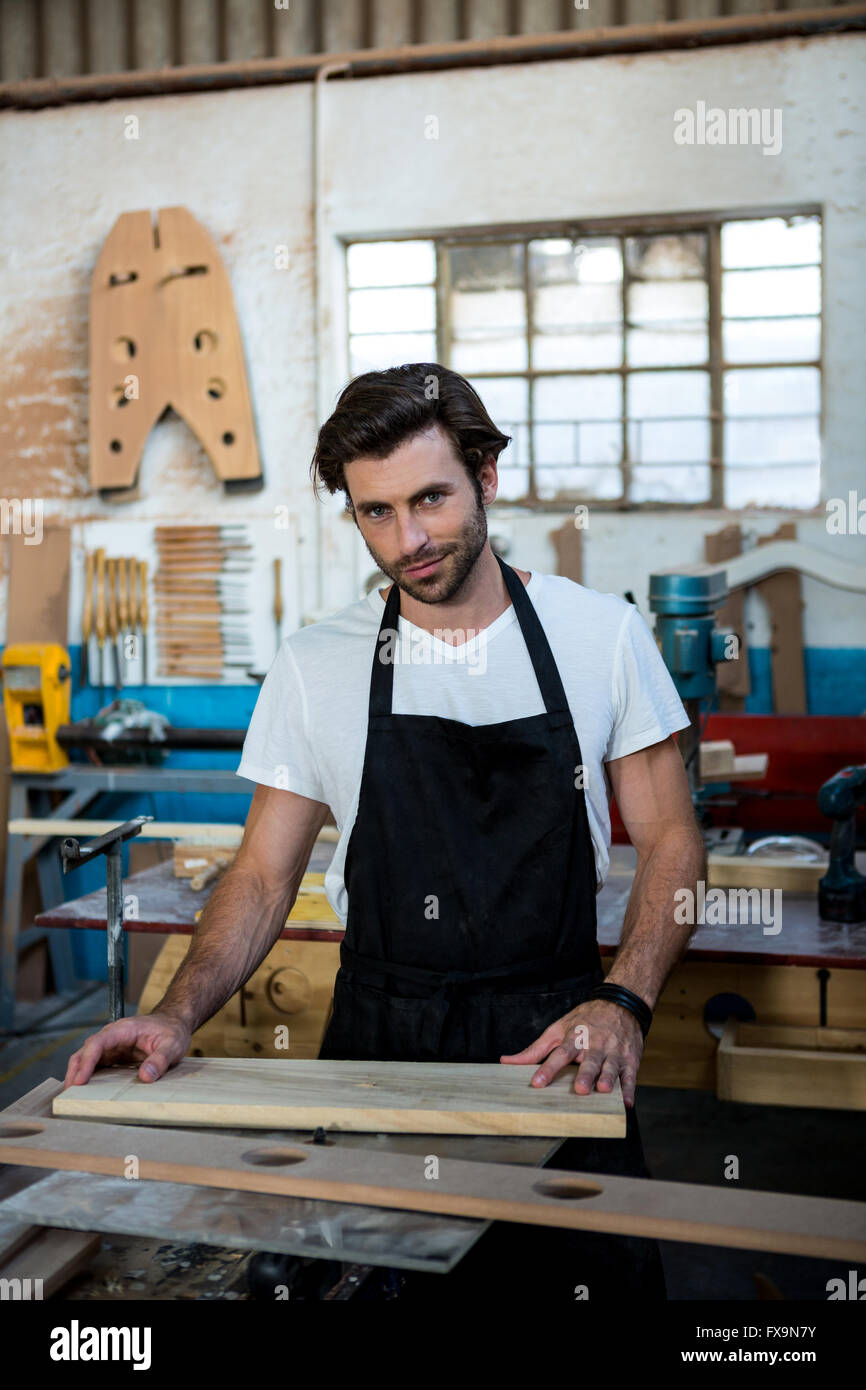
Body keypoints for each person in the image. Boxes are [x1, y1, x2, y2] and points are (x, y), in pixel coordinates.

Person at [65, 363, 705, 1302]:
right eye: (375, 513)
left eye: (431, 499)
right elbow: (261, 877)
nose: (408, 540)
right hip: (377, 1042)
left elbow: (673, 843)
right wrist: (174, 1015)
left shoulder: (599, 634)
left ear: (486, 477)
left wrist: (625, 1002)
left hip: (556, 1039)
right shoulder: (316, 664)